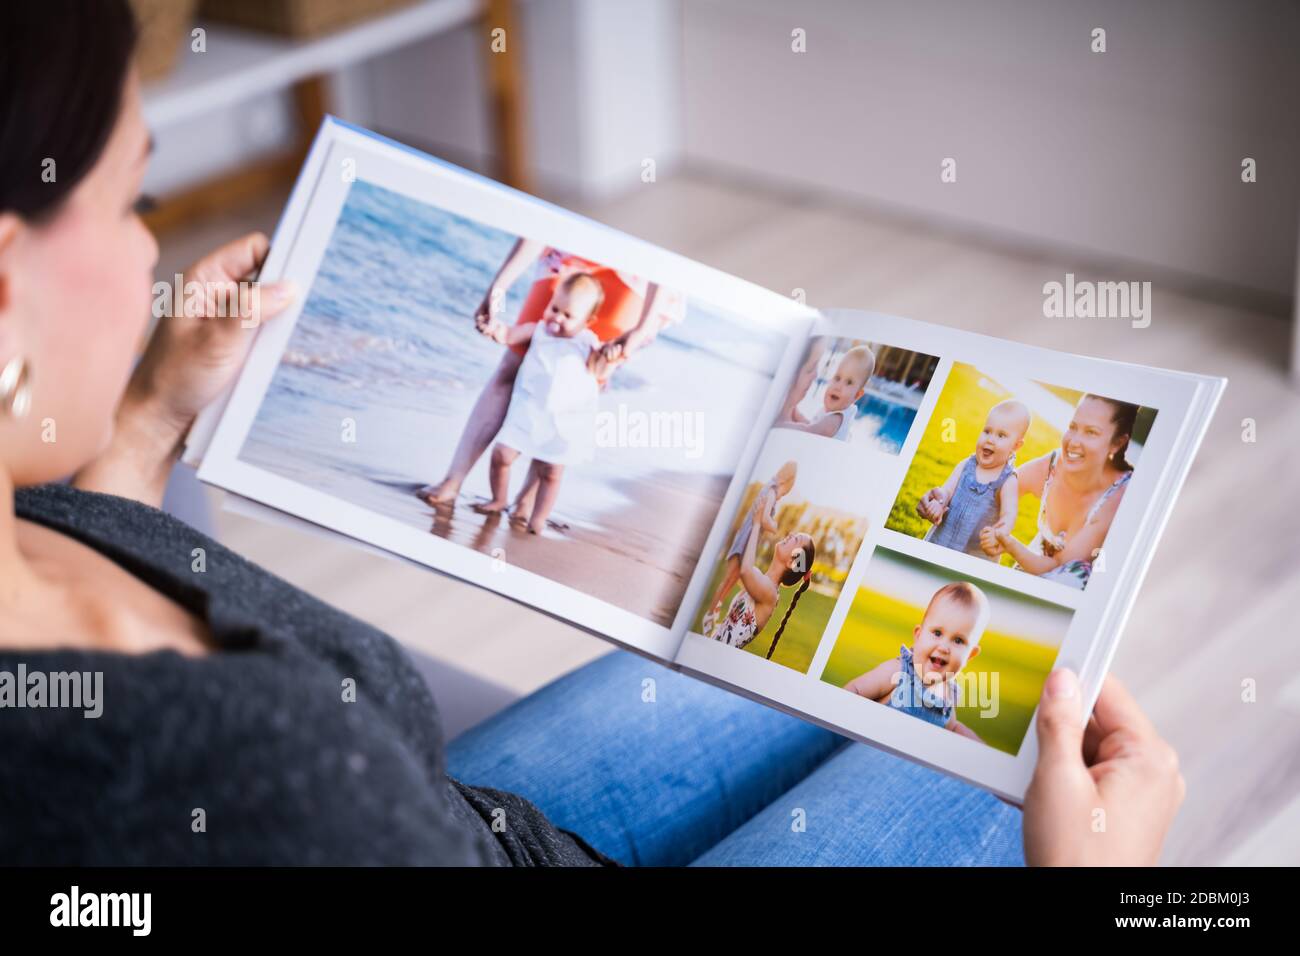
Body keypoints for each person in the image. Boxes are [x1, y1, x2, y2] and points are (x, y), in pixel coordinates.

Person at [0, 1, 1184, 866]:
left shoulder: (31, 514)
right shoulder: (233, 772)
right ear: (8, 279)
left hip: (466, 814)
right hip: (425, 823)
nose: (152, 249)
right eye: (134, 201)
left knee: (865, 685)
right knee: (1026, 753)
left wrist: (150, 415)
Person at [417, 241, 682, 509]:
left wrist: (643, 327)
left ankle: (526, 502)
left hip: (640, 270)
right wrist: (497, 290)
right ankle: (453, 481)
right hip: (571, 244)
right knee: (513, 359)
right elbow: (535, 229)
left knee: (586, 376)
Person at [472, 271, 606, 534]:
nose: (557, 318)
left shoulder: (587, 342)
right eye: (554, 308)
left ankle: (538, 519)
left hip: (563, 420)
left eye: (568, 316)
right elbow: (510, 335)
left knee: (551, 472)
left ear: (587, 321)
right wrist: (495, 329)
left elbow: (599, 369)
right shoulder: (539, 330)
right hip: (528, 411)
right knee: (501, 456)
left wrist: (608, 355)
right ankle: (499, 499)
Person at [981, 394, 1137, 589]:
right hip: (1037, 562)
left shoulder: (1121, 497)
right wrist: (944, 496)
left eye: (1091, 432)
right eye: (1073, 427)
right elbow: (996, 490)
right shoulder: (1052, 466)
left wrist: (1010, 545)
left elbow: (1058, 568)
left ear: (1117, 443)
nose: (1074, 441)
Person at [843, 582, 988, 742]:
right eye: (937, 633)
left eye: (958, 641)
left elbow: (951, 728)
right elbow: (855, 690)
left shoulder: (948, 695)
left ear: (970, 655)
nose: (944, 647)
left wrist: (978, 747)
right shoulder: (898, 671)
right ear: (918, 635)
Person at [919, 399, 1028, 560]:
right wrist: (938, 503)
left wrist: (998, 533)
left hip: (974, 555)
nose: (990, 439)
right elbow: (946, 491)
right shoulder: (966, 465)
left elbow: (1009, 515)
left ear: (1016, 446)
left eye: (1001, 435)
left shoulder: (1008, 480)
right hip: (940, 542)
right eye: (987, 431)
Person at [701, 460, 797, 635]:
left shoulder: (769, 488)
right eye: (786, 492)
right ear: (785, 481)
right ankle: (709, 616)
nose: (782, 496)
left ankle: (714, 615)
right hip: (745, 542)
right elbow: (765, 519)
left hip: (745, 540)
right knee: (728, 581)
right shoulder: (772, 492)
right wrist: (776, 526)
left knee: (730, 582)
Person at [775, 344, 875, 440]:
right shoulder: (831, 415)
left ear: (856, 395)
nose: (838, 387)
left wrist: (781, 425)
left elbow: (810, 431)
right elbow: (812, 425)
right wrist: (795, 413)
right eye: (837, 378)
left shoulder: (836, 419)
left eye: (849, 382)